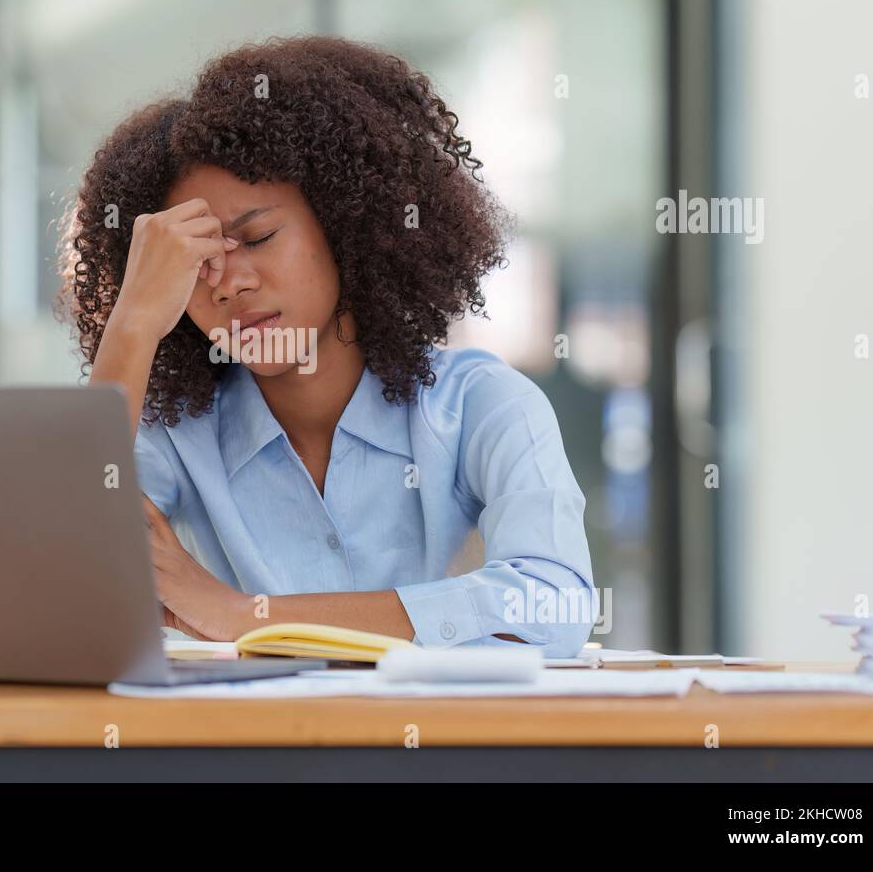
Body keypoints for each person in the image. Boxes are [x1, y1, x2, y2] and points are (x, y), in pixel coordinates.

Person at [57, 35, 594, 656]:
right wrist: (134, 323)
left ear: (345, 226)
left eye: (255, 238)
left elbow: (554, 600)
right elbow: (57, 582)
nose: (230, 283)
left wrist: (245, 616)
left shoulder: (482, 405)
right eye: (195, 264)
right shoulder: (173, 433)